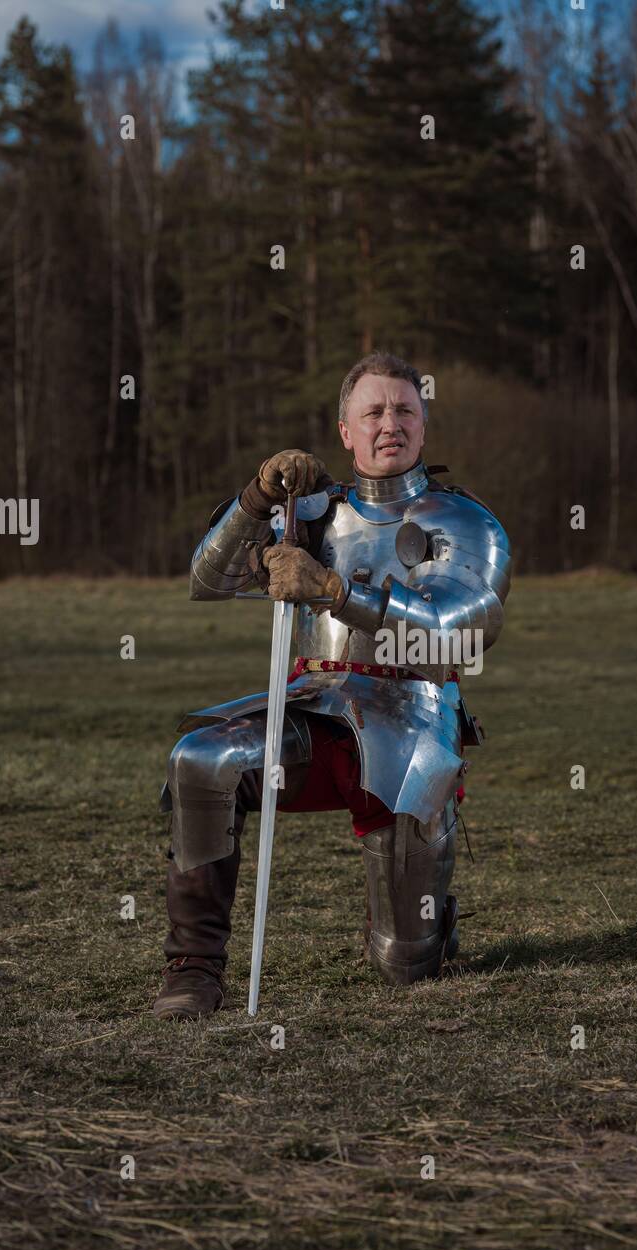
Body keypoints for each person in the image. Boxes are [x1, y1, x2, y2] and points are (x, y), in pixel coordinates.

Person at [153, 352, 511, 1018]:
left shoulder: (466, 524)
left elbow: (465, 627)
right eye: (372, 411)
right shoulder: (311, 512)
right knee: (202, 759)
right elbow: (207, 581)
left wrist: (335, 591)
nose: (389, 424)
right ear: (345, 430)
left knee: (404, 964)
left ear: (424, 425)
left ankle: (435, 924)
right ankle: (193, 970)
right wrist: (257, 495)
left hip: (412, 727)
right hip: (314, 714)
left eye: (405, 409)